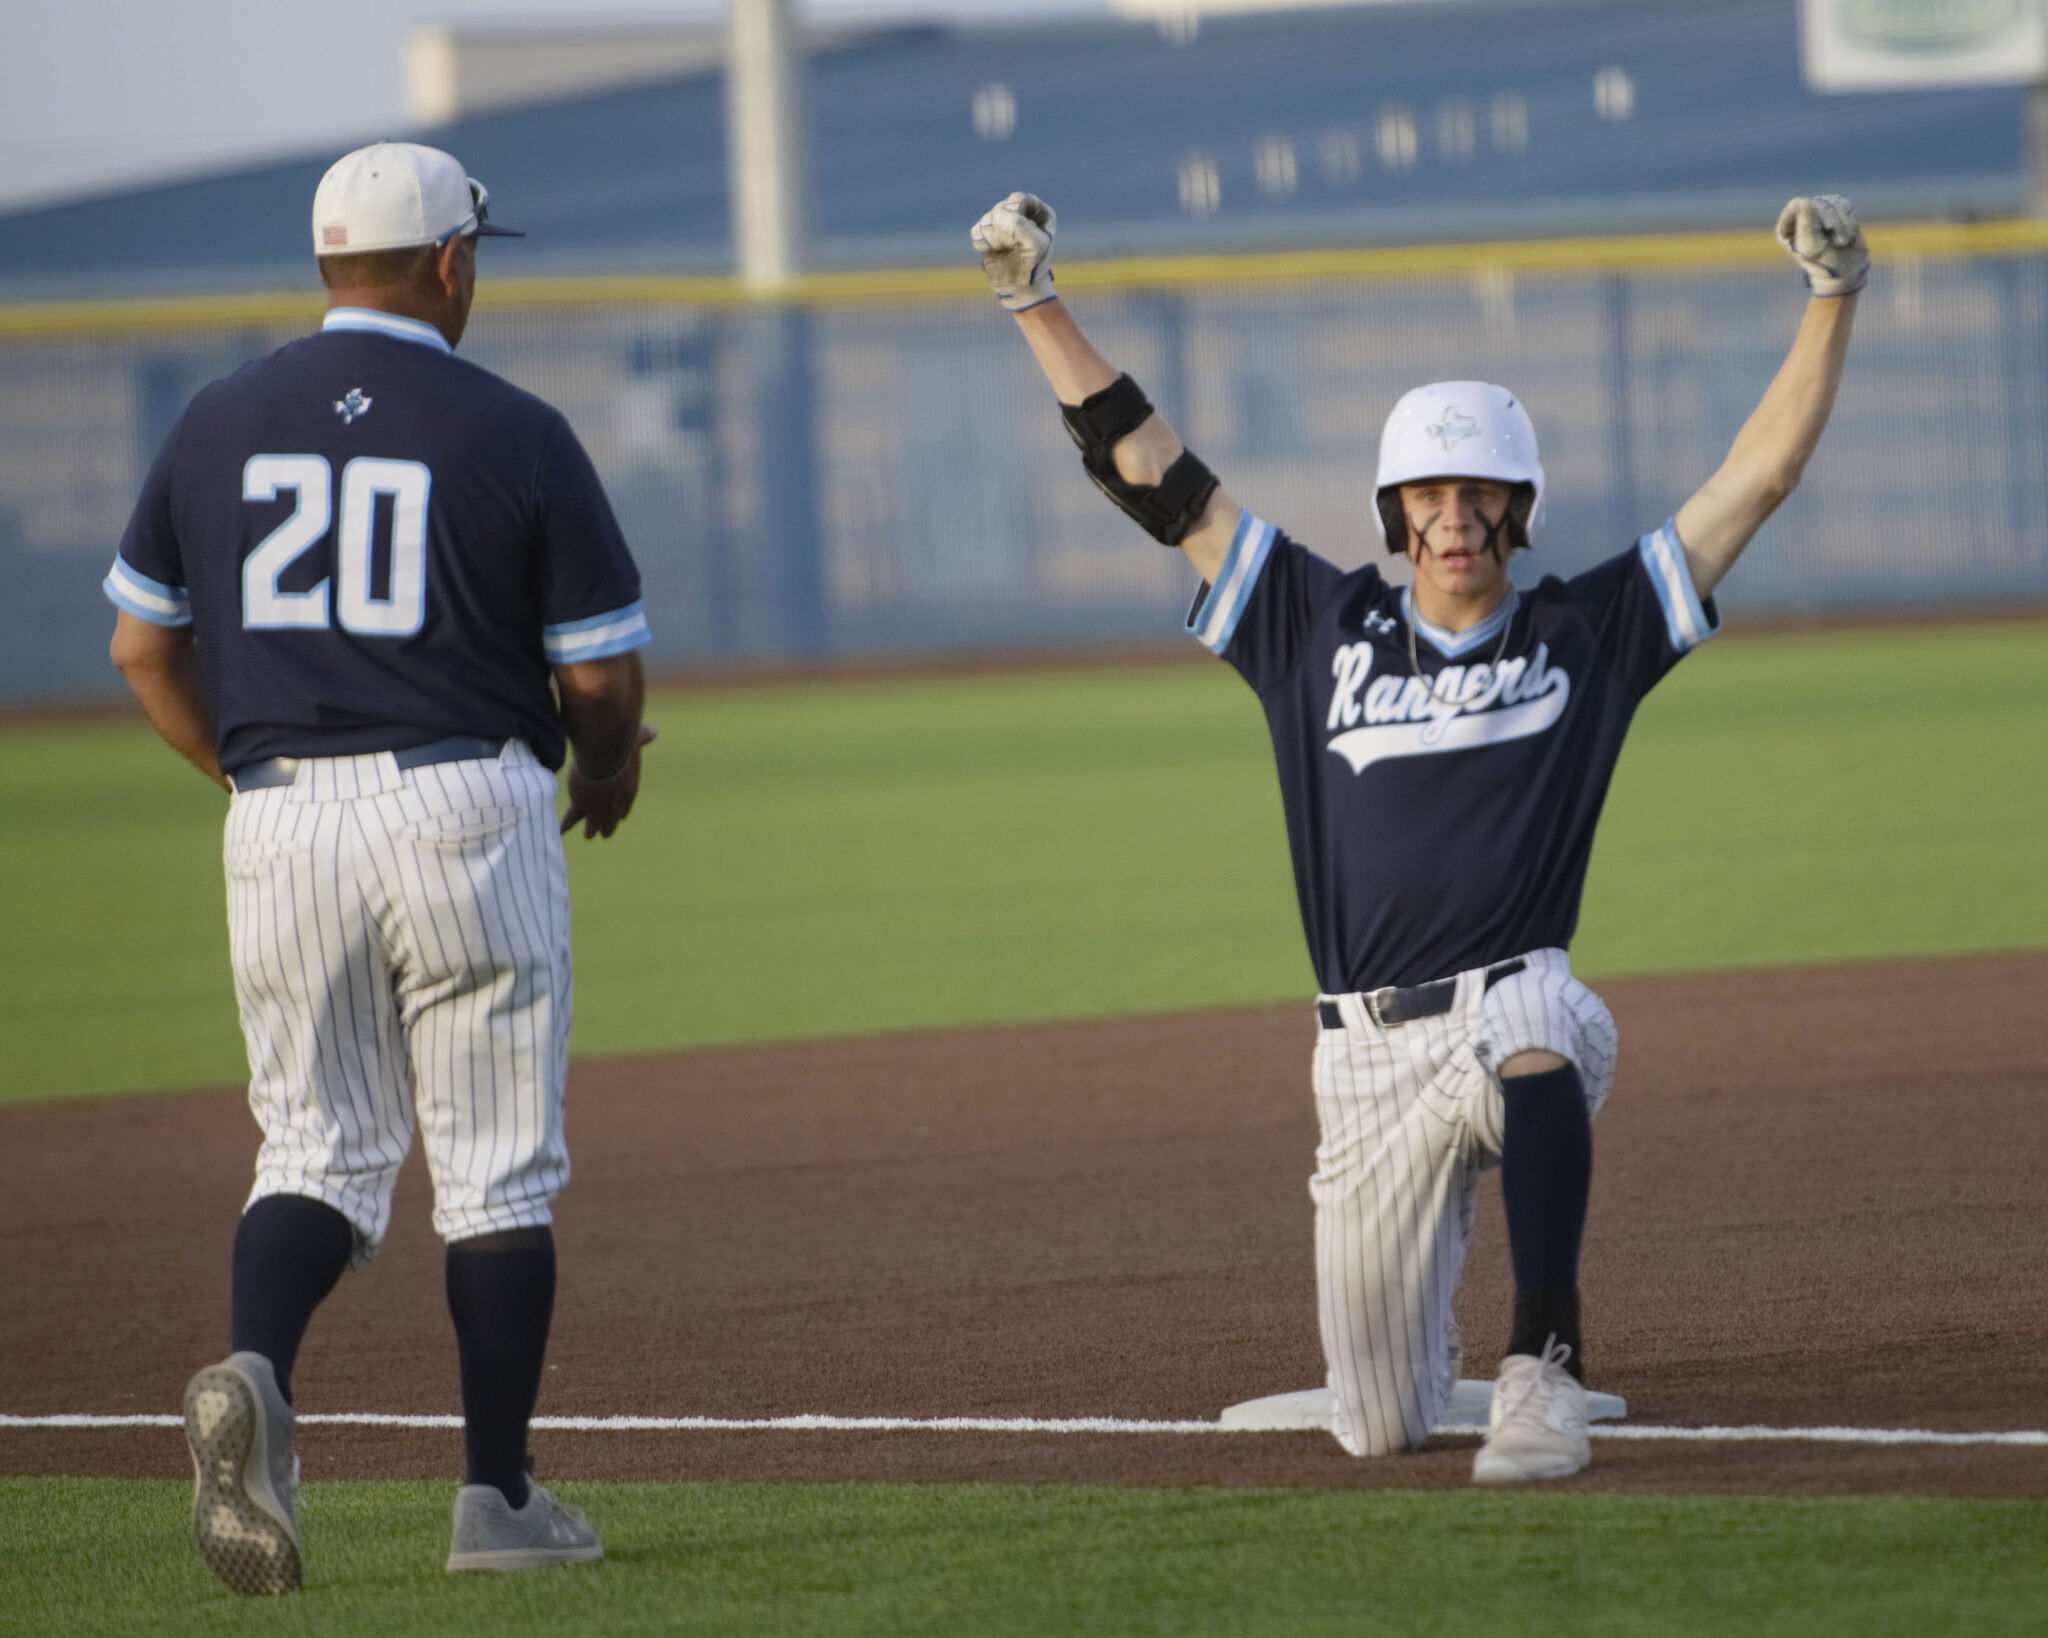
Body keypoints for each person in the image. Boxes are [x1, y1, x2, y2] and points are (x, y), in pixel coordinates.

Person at [970, 190, 1863, 1480]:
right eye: (1430, 494)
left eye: (1480, 494)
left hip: (1512, 1009)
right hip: (1364, 1060)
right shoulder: (1312, 626)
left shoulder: (1586, 633)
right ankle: (1407, 1355)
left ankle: (1545, 1362)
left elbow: (1756, 479)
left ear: (1520, 509)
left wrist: (1834, 295)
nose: (1455, 518)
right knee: (1380, 1425)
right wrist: (1031, 299)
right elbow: (1157, 480)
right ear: (1395, 513)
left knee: (1539, 1015)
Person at [105, 140, 656, 1592]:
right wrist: (607, 769)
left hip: (279, 816)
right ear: (452, 264)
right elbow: (602, 676)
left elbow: (142, 646)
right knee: (493, 1172)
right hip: (465, 804)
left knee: (315, 1151)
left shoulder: (217, 418)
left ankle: (256, 1373)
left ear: (327, 263)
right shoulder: (515, 427)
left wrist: (249, 779)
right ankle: (497, 1501)